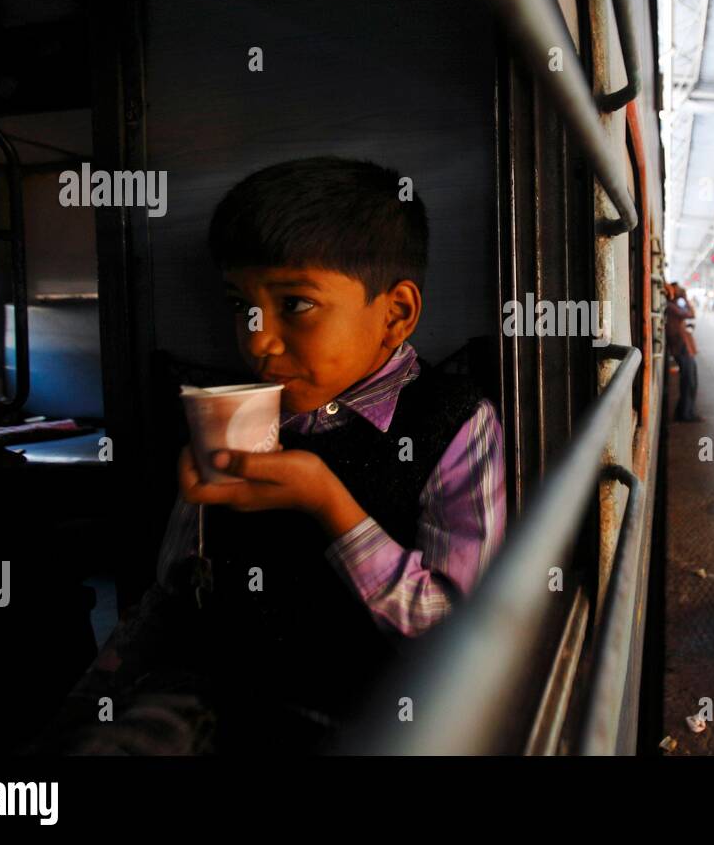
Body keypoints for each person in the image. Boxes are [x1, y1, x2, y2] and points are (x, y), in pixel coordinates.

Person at [51, 157, 507, 751]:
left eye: (295, 304)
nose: (258, 339)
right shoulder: (236, 418)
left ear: (395, 314)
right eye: (241, 305)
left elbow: (454, 635)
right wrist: (95, 697)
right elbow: (173, 596)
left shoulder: (455, 423)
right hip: (217, 707)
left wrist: (329, 505)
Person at [666, 282, 703, 422]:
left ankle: (686, 412)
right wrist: (686, 298)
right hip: (681, 349)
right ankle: (685, 414)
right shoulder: (671, 307)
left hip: (684, 348)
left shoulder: (673, 306)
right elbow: (691, 314)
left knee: (690, 381)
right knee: (688, 382)